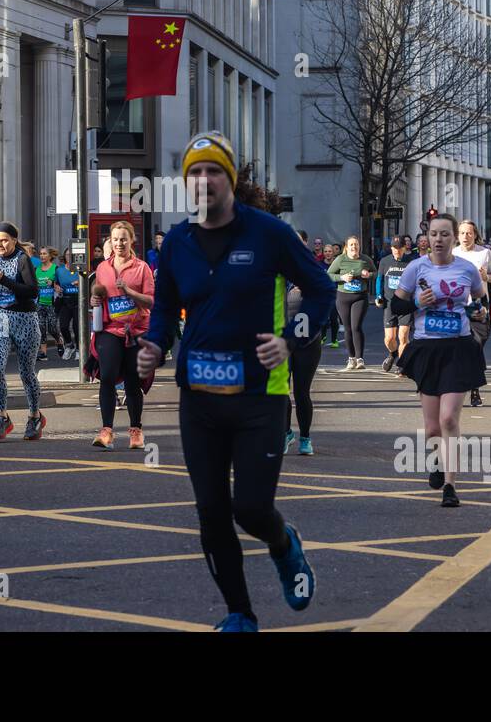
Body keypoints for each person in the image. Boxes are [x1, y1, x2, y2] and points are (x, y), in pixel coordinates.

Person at [137, 131, 332, 632]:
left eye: (213, 172)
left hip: (259, 395)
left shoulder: (268, 233)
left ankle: (285, 543)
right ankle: (240, 613)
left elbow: (320, 289)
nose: (204, 181)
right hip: (198, 398)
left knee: (250, 507)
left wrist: (291, 339)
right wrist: (155, 344)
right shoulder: (178, 241)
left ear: (230, 179)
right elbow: (163, 307)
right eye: (195, 173)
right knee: (210, 513)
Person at [390, 213, 489, 508]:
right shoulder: (415, 268)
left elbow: (479, 301)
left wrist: (479, 313)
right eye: (434, 234)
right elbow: (396, 303)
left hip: (457, 348)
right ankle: (435, 461)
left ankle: (450, 485)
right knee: (432, 428)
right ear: (427, 238)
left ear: (454, 237)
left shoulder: (467, 269)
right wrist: (418, 303)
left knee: (449, 419)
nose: (439, 239)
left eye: (445, 234)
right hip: (427, 350)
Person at [0, 223, 45, 441]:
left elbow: (32, 291)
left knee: (26, 373)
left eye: (4, 240)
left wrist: (5, 280)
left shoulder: (23, 260)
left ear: (14, 240)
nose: (0, 244)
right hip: (1, 320)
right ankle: (2, 416)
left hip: (25, 319)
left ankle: (35, 416)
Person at [90, 221, 155, 450]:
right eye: (115, 239)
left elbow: (150, 301)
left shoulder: (142, 268)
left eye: (123, 239)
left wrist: (128, 291)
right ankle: (106, 431)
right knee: (107, 376)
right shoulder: (103, 268)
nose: (119, 243)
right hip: (110, 329)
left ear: (131, 240)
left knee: (132, 381)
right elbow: (99, 295)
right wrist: (94, 300)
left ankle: (135, 431)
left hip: (137, 331)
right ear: (111, 241)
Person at [453, 220, 491, 406]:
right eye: (462, 233)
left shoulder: (485, 253)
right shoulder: (452, 254)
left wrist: (485, 277)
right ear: (457, 236)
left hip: (478, 306)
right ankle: (471, 390)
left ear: (475, 235)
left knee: (476, 346)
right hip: (456, 306)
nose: (466, 236)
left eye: (469, 233)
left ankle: (473, 385)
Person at [285, 276, 322, 456]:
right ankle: (285, 434)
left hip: (308, 345)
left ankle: (305, 439)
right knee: (281, 390)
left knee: (301, 392)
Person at [326, 235, 375, 370]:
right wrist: (342, 277)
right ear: (347, 247)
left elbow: (376, 273)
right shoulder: (340, 259)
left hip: (360, 297)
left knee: (356, 327)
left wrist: (369, 275)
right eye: (352, 245)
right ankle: (351, 358)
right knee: (347, 329)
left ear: (359, 246)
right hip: (343, 297)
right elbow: (328, 274)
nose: (354, 247)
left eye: (356, 244)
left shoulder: (365, 259)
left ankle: (360, 359)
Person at [375, 236, 415, 376]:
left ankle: (402, 364)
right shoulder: (385, 261)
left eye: (399, 248)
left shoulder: (411, 262)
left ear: (405, 248)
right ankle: (392, 354)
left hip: (406, 304)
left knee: (403, 336)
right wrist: (378, 296)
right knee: (389, 339)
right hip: (390, 304)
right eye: (394, 248)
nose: (396, 251)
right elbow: (379, 279)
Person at [34, 246, 65, 363]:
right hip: (39, 303)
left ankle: (59, 340)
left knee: (52, 327)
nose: (42, 256)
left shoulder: (56, 269)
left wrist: (53, 284)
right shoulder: (36, 269)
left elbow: (60, 286)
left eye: (44, 254)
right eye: (41, 254)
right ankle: (43, 353)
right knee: (41, 327)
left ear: (50, 256)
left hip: (52, 304)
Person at [54, 250, 81, 360]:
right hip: (65, 300)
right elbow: (55, 283)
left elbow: (88, 281)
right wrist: (57, 287)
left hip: (78, 300)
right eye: (67, 255)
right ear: (64, 256)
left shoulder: (80, 269)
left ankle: (79, 349)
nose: (69, 256)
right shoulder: (59, 270)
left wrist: (81, 282)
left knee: (77, 327)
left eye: (72, 255)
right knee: (63, 326)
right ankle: (69, 345)